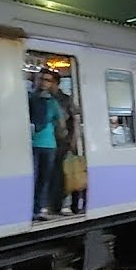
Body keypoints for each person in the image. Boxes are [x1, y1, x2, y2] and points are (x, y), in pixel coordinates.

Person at [29, 68, 64, 220]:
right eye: (42, 79)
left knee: (44, 178)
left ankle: (39, 208)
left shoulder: (53, 102)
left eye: (48, 80)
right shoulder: (30, 98)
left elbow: (61, 121)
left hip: (49, 144)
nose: (44, 82)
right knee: (34, 177)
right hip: (33, 143)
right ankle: (32, 208)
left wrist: (60, 131)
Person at [50, 71, 83, 215]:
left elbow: (75, 121)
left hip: (65, 142)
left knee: (67, 173)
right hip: (51, 142)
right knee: (54, 175)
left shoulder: (65, 100)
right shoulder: (44, 99)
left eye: (49, 81)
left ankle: (69, 204)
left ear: (57, 83)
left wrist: (74, 140)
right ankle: (55, 204)